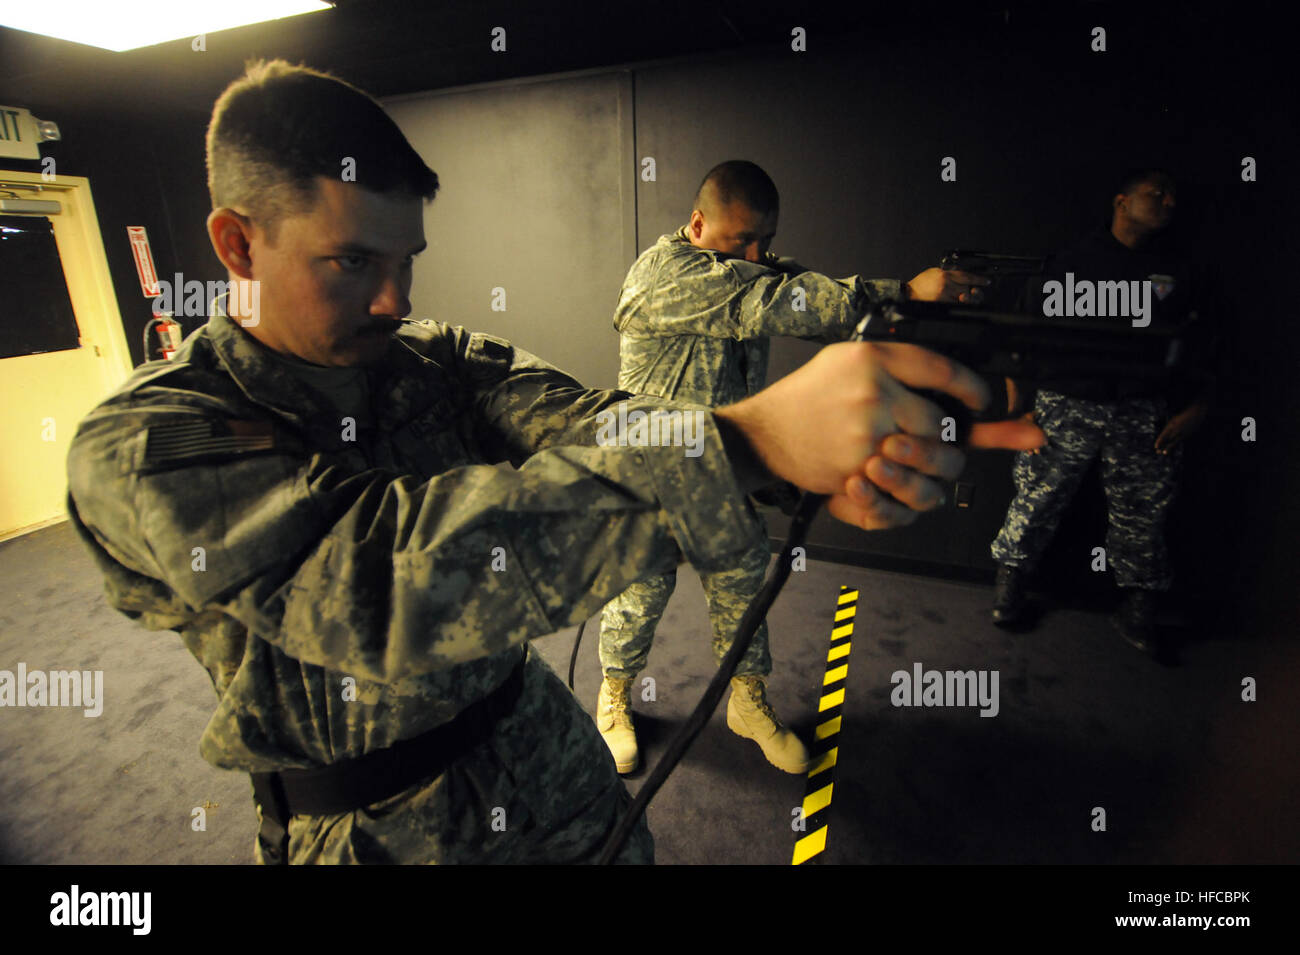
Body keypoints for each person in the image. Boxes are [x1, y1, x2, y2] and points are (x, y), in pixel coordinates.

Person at [66, 61, 1042, 864]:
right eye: (354, 261)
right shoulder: (150, 439)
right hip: (373, 830)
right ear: (238, 244)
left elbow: (593, 425)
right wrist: (745, 442)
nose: (394, 301)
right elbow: (372, 584)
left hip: (542, 752)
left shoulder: (428, 355)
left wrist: (788, 462)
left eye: (407, 261)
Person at [595, 160, 994, 775]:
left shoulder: (748, 267)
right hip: (653, 468)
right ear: (698, 223)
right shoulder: (664, 275)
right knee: (639, 594)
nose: (757, 253)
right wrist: (907, 292)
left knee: (743, 596)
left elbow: (810, 289)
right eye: (741, 240)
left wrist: (906, 304)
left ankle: (748, 705)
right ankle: (616, 699)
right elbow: (780, 303)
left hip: (726, 465)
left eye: (766, 242)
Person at [989, 169, 1213, 653]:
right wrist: (1016, 410)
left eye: (1174, 196)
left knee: (1143, 514)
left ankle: (1139, 607)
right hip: (1066, 404)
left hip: (1142, 411)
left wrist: (1197, 408)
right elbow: (1017, 337)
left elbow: (1207, 350)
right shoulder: (1069, 264)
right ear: (1121, 202)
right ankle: (1009, 587)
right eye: (1157, 194)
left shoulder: (1180, 274)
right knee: (1037, 500)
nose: (1169, 202)